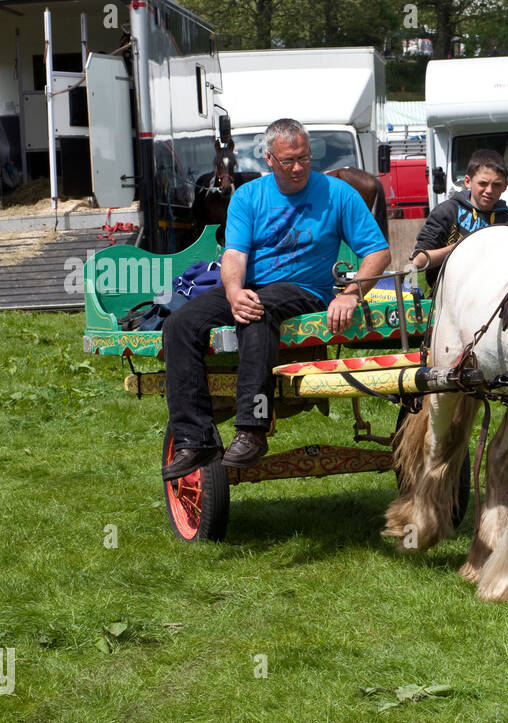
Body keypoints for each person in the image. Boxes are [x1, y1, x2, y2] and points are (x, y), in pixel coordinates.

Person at [162, 118, 391, 478]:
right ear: (269, 159)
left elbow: (377, 252)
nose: (298, 167)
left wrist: (350, 294)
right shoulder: (249, 196)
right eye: (288, 161)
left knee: (258, 311)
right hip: (252, 286)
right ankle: (196, 439)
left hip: (305, 290)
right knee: (179, 323)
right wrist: (235, 292)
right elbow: (234, 255)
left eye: (304, 158)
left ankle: (252, 430)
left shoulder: (338, 193)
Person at [410, 149, 508, 286]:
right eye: (483, 183)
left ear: (505, 187)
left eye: (497, 185)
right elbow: (418, 261)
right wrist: (463, 246)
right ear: (468, 181)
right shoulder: (447, 212)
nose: (489, 190)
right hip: (449, 299)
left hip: (496, 298)